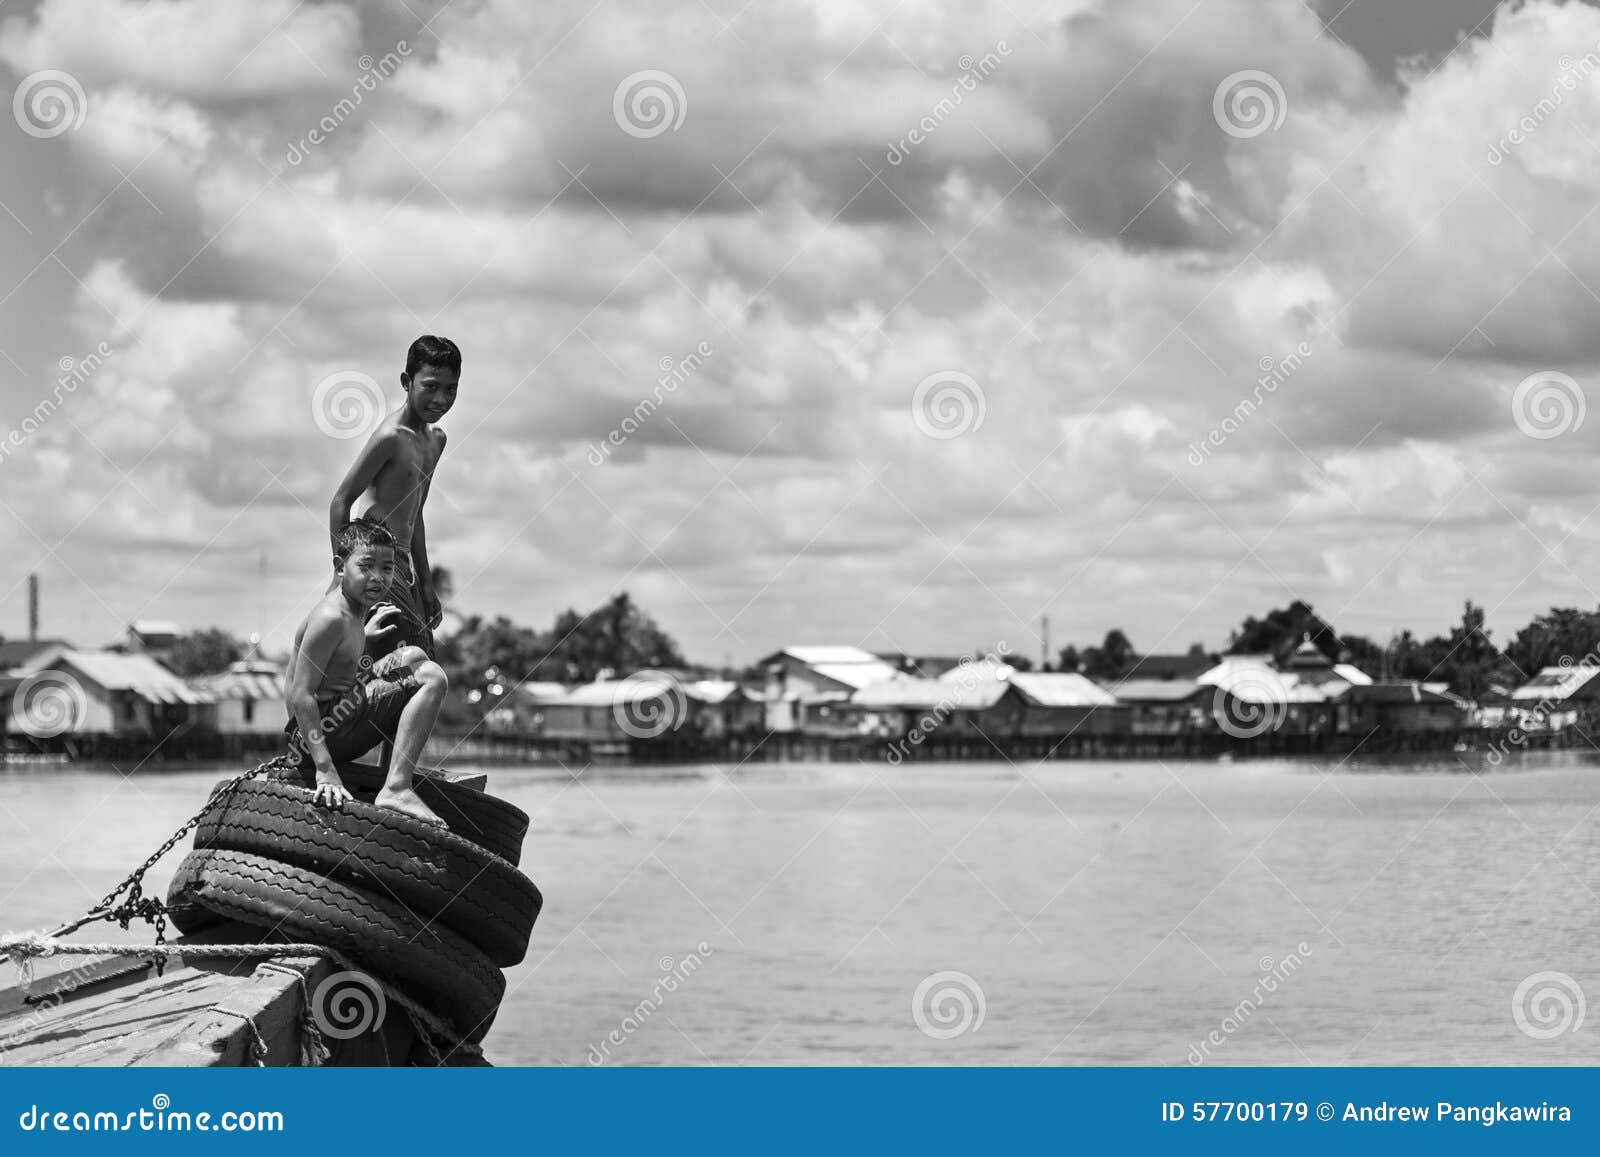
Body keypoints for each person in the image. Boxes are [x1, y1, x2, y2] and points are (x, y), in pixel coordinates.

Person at [285, 518, 446, 826]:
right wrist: (325, 770)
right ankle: (396, 787)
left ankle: (391, 773)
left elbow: (338, 671)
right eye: (366, 567)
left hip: (333, 720)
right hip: (323, 733)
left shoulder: (353, 611)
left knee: (413, 655)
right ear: (340, 566)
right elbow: (300, 695)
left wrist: (366, 639)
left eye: (387, 568)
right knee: (432, 677)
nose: (377, 578)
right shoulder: (331, 618)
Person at [328, 334, 460, 658]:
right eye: (431, 386)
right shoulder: (391, 437)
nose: (441, 399)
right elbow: (341, 501)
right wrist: (345, 571)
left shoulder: (436, 440)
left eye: (451, 389)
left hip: (405, 564)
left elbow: (415, 515)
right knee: (404, 663)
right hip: (376, 559)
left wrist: (426, 583)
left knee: (420, 655)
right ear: (406, 382)